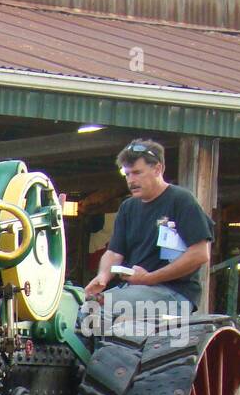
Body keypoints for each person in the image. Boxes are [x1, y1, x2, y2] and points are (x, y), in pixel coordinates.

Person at [84, 139, 215, 331]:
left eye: (137, 172)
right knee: (83, 309)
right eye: (127, 174)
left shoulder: (181, 201)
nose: (131, 180)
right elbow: (114, 253)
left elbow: (200, 254)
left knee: (101, 310)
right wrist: (103, 276)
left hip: (174, 294)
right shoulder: (128, 207)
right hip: (135, 290)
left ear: (158, 169)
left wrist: (150, 278)